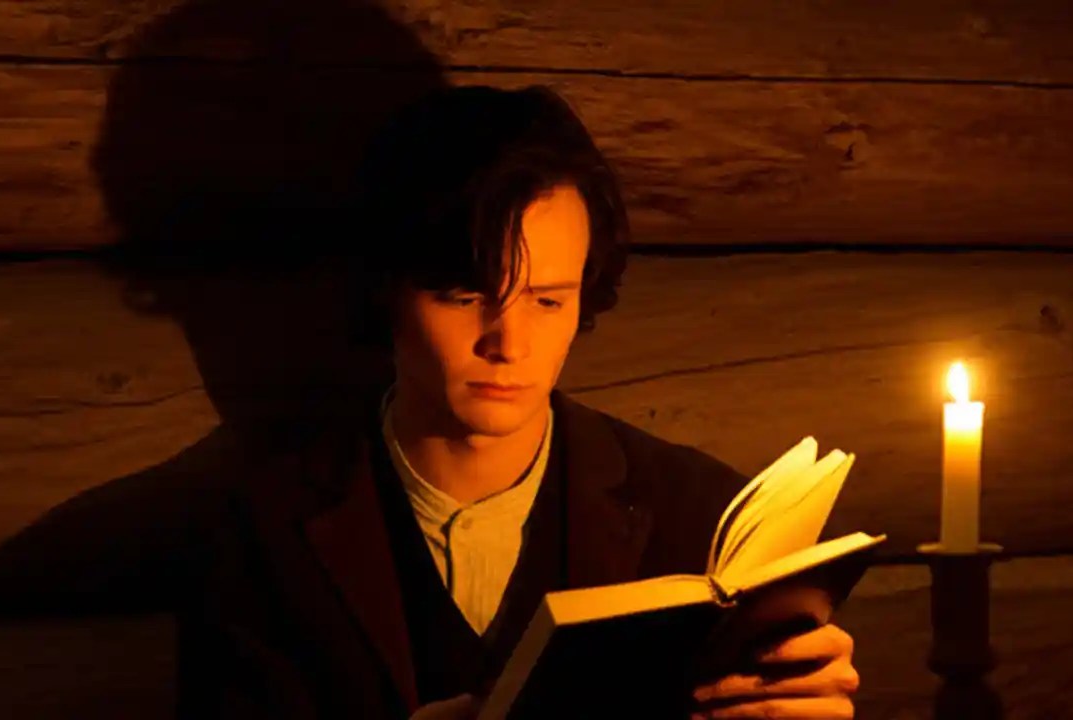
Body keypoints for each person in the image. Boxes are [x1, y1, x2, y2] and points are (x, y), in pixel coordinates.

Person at [176, 84, 859, 719]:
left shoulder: (702, 519)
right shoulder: (258, 530)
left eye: (547, 300)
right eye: (466, 296)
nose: (509, 341)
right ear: (386, 290)